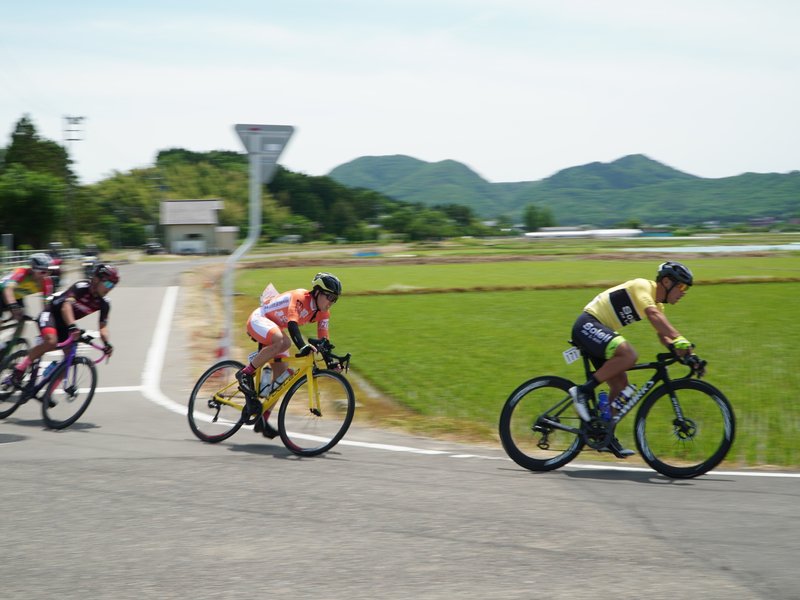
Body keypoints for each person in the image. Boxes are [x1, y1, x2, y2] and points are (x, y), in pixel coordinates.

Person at [569, 261, 696, 458]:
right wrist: (679, 338)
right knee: (629, 355)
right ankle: (582, 392)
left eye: (686, 288)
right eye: (681, 286)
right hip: (588, 324)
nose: (683, 292)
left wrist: (686, 354)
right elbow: (653, 315)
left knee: (622, 387)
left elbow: (663, 335)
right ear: (666, 281)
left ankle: (603, 434)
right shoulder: (643, 286)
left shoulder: (658, 305)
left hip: (599, 332)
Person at [236, 272, 342, 438]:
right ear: (317, 292)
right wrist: (303, 346)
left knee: (282, 378)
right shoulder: (300, 297)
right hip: (259, 319)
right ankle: (245, 373)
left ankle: (262, 420)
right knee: (284, 342)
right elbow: (292, 325)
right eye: (329, 297)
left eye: (334, 299)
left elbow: (324, 341)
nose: (331, 302)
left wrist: (331, 363)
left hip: (275, 327)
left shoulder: (324, 313)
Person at [12, 263, 118, 384]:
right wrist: (72, 326)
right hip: (51, 314)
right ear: (96, 279)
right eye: (108, 284)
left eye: (113, 285)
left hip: (65, 323)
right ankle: (20, 368)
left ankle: (48, 393)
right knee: (51, 342)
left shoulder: (104, 303)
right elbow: (66, 307)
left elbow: (103, 327)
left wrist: (107, 344)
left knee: (69, 359)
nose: (110, 288)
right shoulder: (81, 287)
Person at [0, 253, 54, 321]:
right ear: (32, 270)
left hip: (16, 297)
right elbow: (7, 289)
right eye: (43, 272)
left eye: (49, 272)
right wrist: (13, 307)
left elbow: (46, 305)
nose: (45, 276)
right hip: (3, 292)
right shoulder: (22, 271)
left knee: (22, 318)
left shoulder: (47, 282)